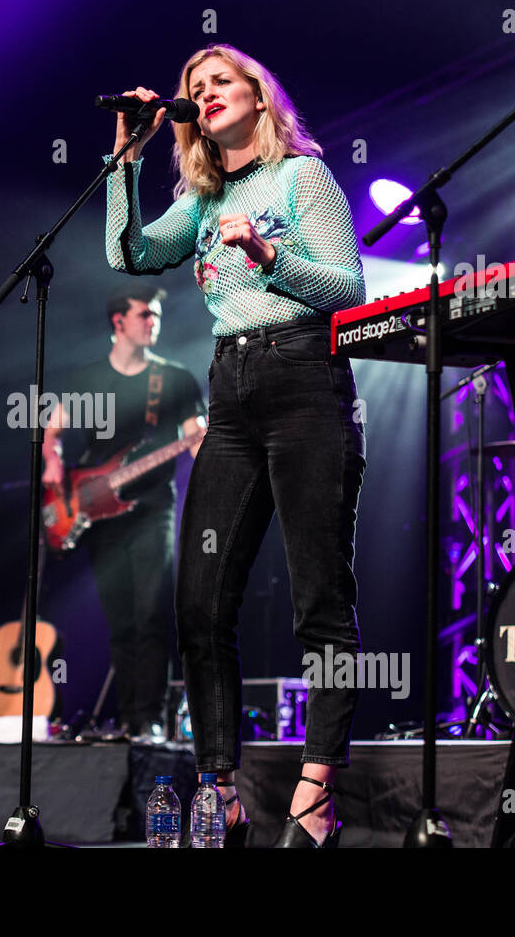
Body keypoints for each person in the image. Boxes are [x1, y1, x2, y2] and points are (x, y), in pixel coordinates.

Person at [105, 44, 367, 847]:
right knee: (201, 603)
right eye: (193, 88)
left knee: (318, 596)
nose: (204, 94)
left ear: (259, 94)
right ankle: (222, 789)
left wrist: (266, 255)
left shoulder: (303, 177)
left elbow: (349, 287)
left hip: (304, 380)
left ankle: (318, 784)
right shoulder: (204, 194)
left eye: (220, 81)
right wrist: (126, 161)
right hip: (231, 390)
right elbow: (130, 255)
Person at [41, 286, 204, 742]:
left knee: (151, 612)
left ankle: (146, 720)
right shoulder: (86, 377)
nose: (153, 322)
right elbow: (51, 431)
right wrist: (54, 469)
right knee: (120, 619)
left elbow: (196, 436)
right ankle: (127, 719)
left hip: (153, 509)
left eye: (156, 315)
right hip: (94, 509)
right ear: (118, 323)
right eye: (144, 315)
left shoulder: (174, 380)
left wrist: (206, 440)